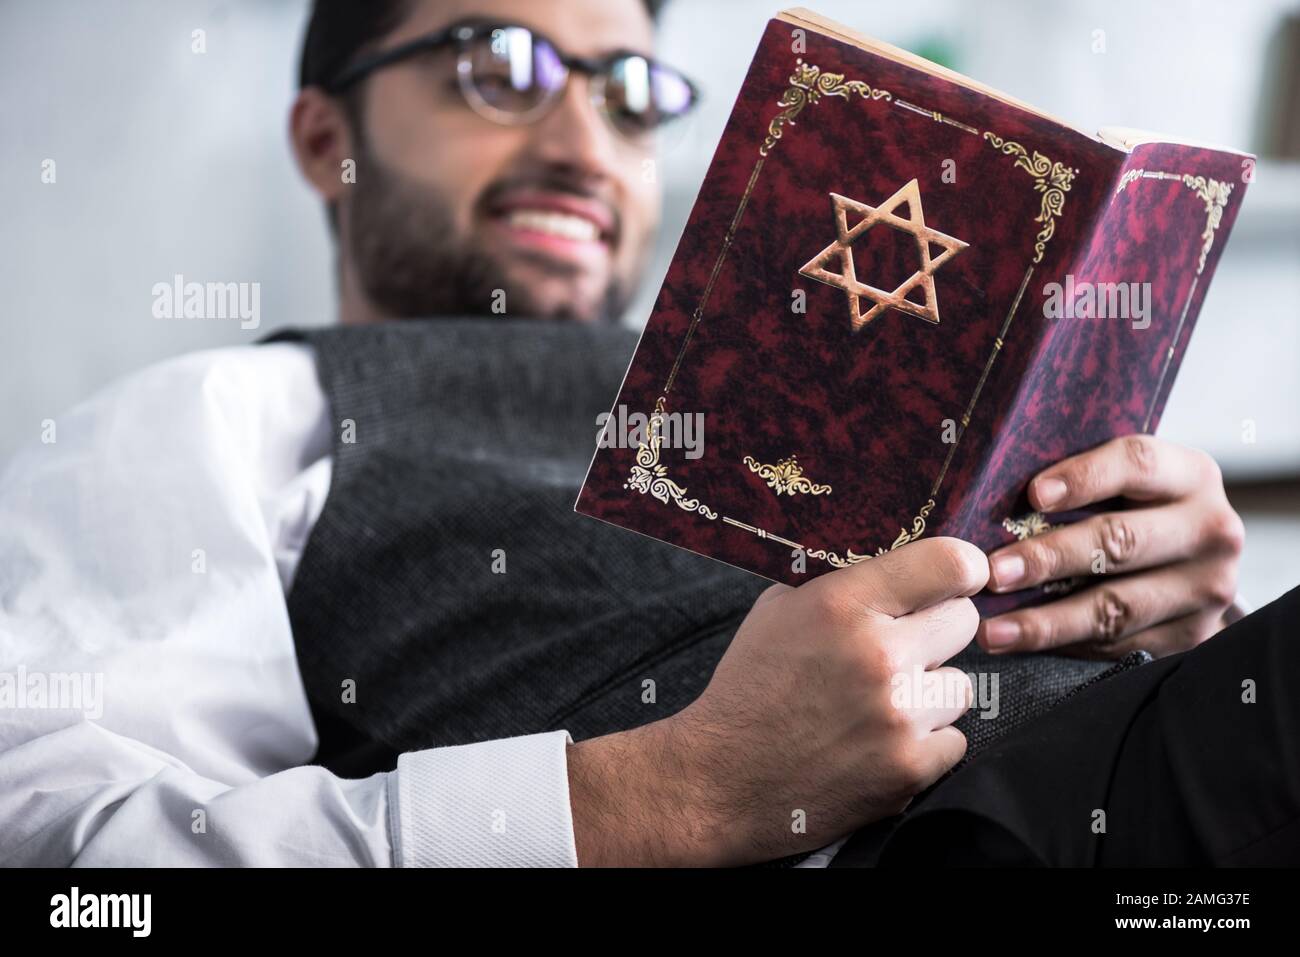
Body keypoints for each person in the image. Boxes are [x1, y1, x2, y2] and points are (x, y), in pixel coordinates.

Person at [0, 0, 1279, 869]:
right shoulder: (217, 416)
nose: (579, 144)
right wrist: (670, 794)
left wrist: (1138, 600)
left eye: (628, 96)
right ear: (327, 138)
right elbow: (66, 853)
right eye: (496, 67)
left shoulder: (810, 362)